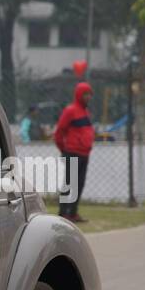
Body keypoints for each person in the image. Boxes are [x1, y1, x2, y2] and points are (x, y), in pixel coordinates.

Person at [53, 81, 93, 223]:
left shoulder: (85, 112)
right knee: (70, 184)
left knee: (80, 184)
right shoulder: (70, 111)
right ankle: (63, 213)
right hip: (73, 153)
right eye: (85, 94)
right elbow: (59, 132)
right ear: (79, 95)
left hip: (84, 154)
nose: (88, 97)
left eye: (89, 94)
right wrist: (64, 150)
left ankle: (73, 213)